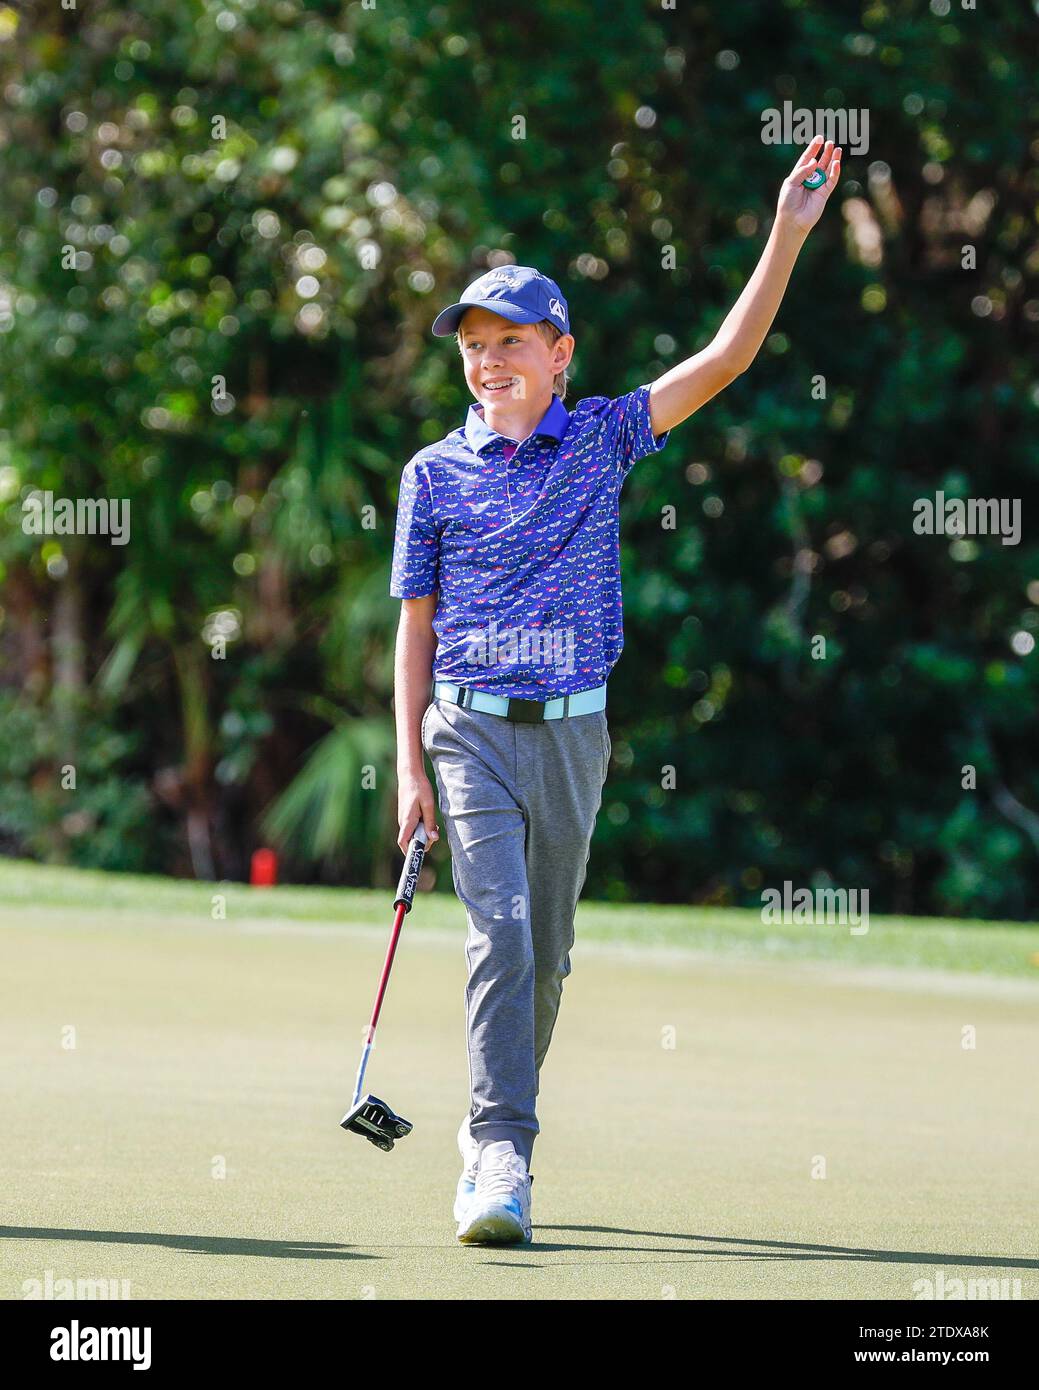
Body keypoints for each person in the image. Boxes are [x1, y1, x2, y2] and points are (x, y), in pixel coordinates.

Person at [389, 137, 842, 1244]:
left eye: (510, 343)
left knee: (545, 955)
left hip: (575, 737)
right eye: (473, 347)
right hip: (469, 732)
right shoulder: (430, 475)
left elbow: (726, 359)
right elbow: (414, 631)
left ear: (559, 353)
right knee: (497, 933)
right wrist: (407, 765)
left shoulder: (600, 439)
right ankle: (503, 1150)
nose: (488, 360)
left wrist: (783, 229)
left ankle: (495, 1116)